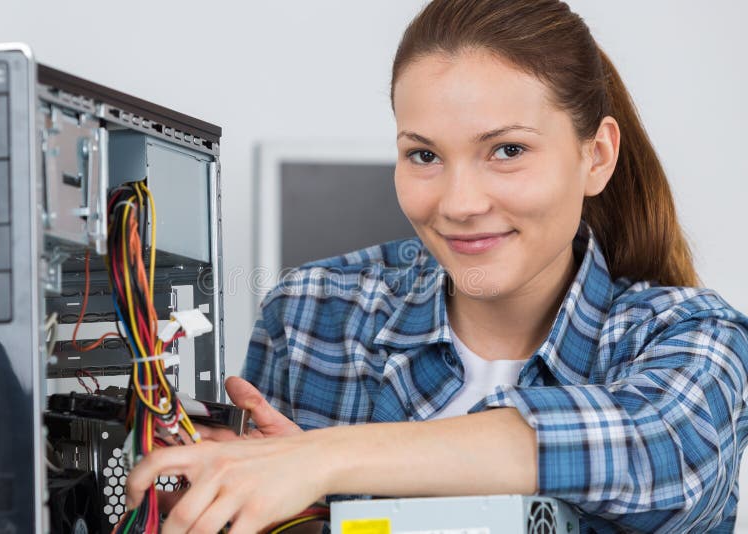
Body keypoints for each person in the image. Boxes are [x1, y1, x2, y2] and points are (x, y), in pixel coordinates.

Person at [125, 0, 748, 532]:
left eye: (507, 150)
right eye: (423, 155)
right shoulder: (314, 310)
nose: (459, 204)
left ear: (597, 156)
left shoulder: (690, 339)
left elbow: (650, 448)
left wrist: (323, 459)